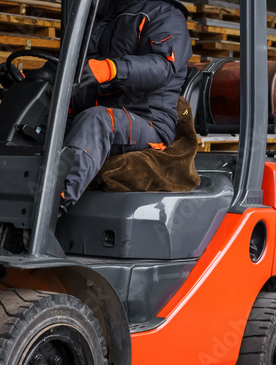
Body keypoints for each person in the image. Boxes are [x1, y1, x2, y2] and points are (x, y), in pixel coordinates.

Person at [59, 0, 192, 212]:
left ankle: (53, 204)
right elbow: (72, 62)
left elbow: (162, 66)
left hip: (148, 123)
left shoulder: (165, 14)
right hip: (91, 115)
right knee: (43, 122)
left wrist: (113, 69)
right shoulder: (97, 16)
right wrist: (34, 79)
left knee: (98, 121)